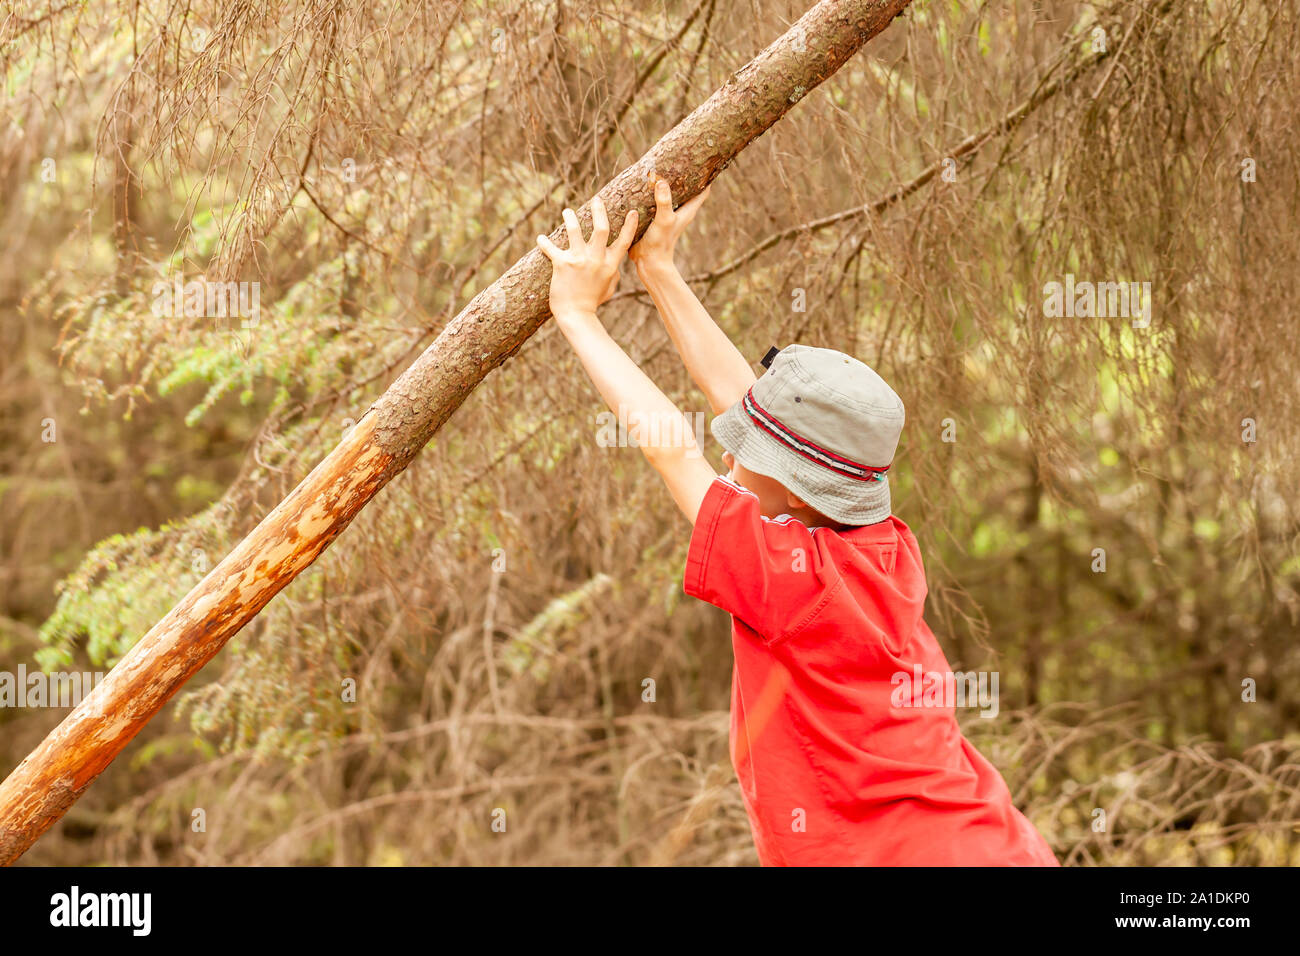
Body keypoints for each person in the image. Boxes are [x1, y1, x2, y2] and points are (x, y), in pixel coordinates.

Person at [535, 180, 1058, 866]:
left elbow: (671, 449)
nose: (732, 450)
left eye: (752, 451)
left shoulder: (785, 579)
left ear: (804, 490)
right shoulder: (879, 545)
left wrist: (577, 315)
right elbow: (741, 403)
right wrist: (658, 270)